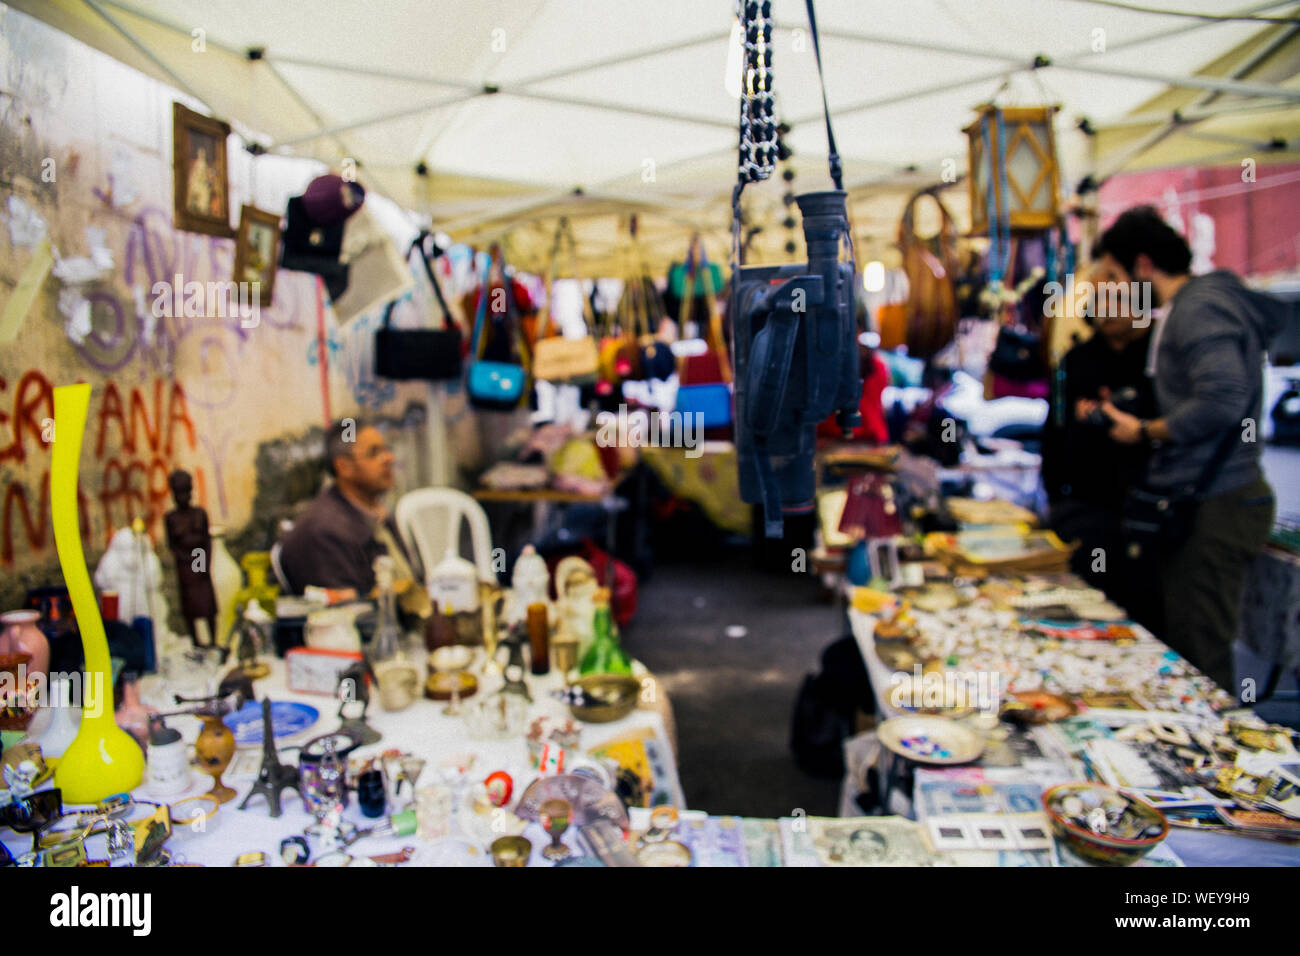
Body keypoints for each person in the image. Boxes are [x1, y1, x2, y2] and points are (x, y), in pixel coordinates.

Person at [1093, 206, 1289, 691]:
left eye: (1115, 276)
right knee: (1188, 641)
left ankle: (1213, 738)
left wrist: (1145, 430)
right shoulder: (1194, 305)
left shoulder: (1200, 308)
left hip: (1217, 501)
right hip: (1209, 497)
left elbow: (1222, 398)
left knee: (1200, 650)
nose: (1113, 290)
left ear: (1143, 265)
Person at [1041, 259, 1159, 629]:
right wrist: (1058, 500)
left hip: (1151, 511)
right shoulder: (1077, 360)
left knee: (1147, 615)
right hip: (1087, 509)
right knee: (1089, 611)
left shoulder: (1158, 358)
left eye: (1117, 300)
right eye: (1099, 301)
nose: (1107, 310)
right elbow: (1053, 434)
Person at [278, 420, 426, 615]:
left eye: (386, 450)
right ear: (344, 467)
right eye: (374, 453)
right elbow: (351, 612)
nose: (389, 458)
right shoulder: (324, 531)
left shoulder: (375, 512)